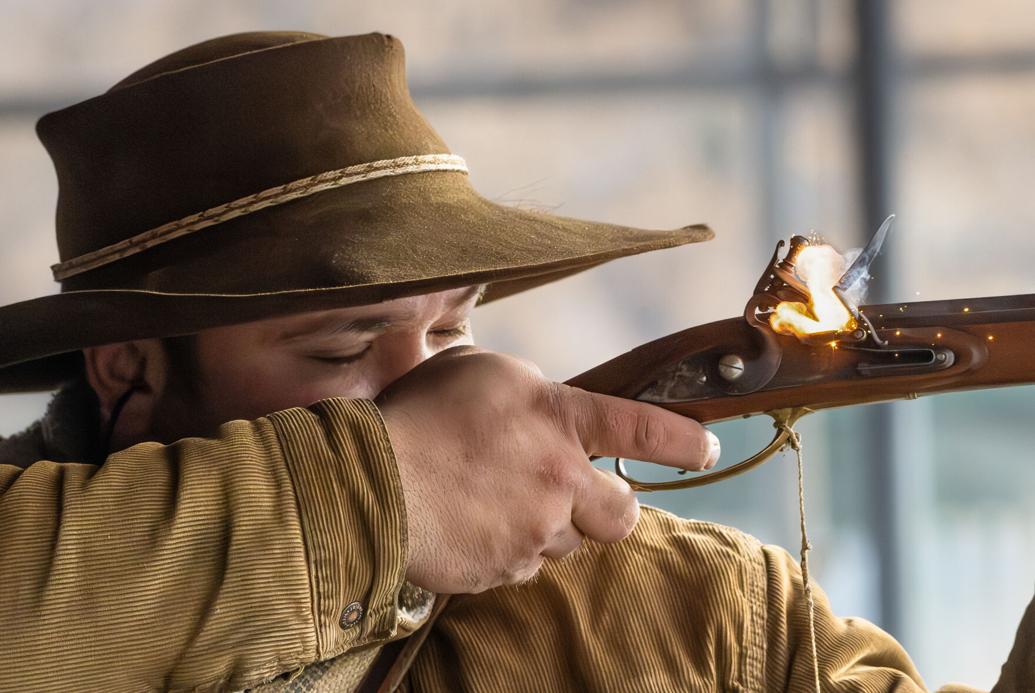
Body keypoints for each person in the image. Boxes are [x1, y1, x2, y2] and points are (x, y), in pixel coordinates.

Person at [0, 30, 1028, 692]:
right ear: (127, 369)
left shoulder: (693, 612)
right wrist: (386, 496)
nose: (442, 389)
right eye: (344, 344)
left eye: (451, 328)